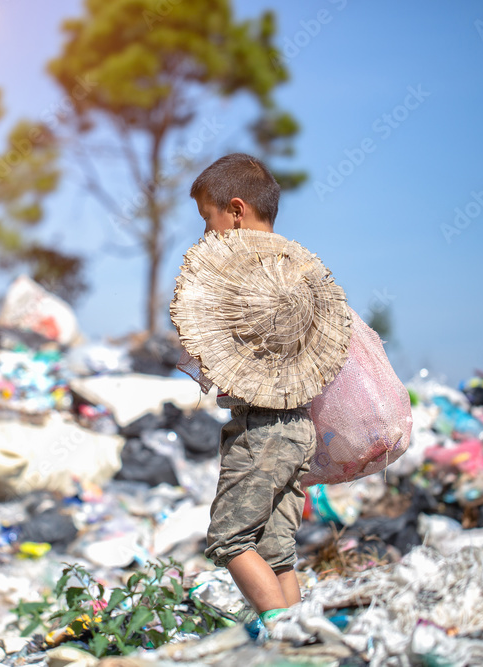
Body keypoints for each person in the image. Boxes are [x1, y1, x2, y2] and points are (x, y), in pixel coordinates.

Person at [178, 153, 321, 633]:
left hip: (260, 431)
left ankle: (281, 632)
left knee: (231, 540)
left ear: (236, 211)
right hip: (299, 426)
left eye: (207, 219)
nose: (205, 234)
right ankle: (303, 641)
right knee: (277, 551)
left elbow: (203, 334)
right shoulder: (297, 275)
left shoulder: (241, 275)